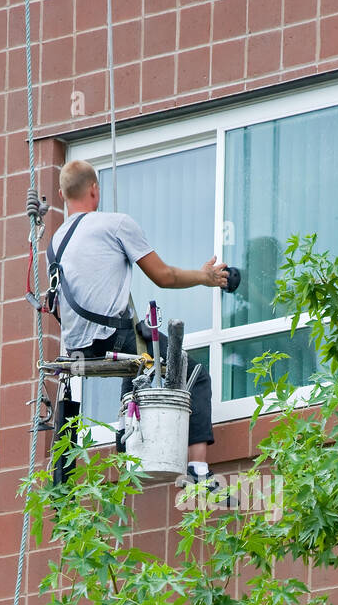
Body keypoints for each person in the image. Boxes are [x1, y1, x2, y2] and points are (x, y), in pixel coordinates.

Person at [46, 158, 227, 487]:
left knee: (139, 354)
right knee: (194, 373)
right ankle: (198, 470)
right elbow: (164, 276)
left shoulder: (56, 243)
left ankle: (126, 440)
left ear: (61, 194)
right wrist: (205, 277)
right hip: (112, 339)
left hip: (79, 349)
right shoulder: (116, 224)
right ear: (95, 190)